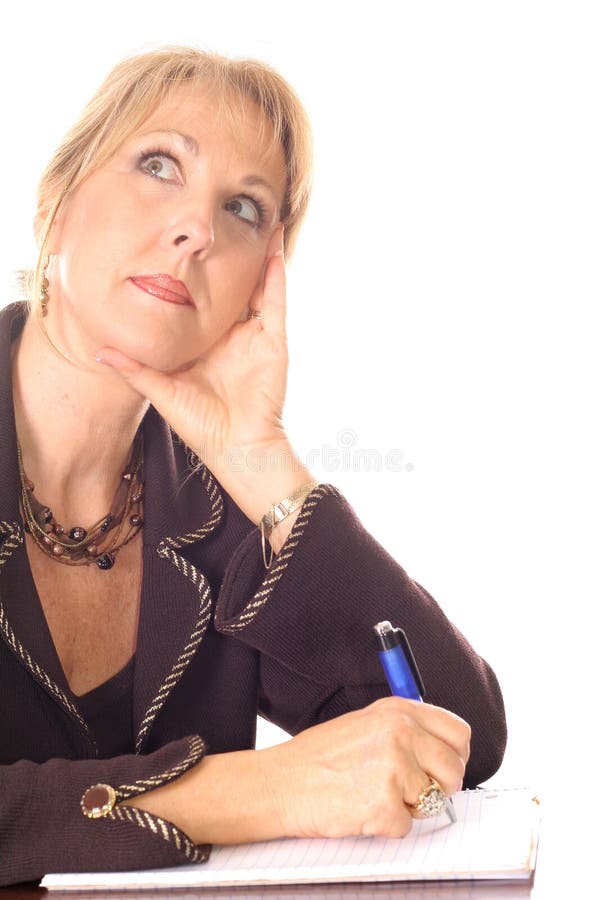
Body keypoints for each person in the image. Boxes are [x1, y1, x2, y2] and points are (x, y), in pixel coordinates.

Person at [0, 45, 507, 886]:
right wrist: (253, 791)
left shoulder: (216, 497)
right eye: (159, 164)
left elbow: (459, 738)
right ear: (58, 196)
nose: (198, 229)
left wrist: (263, 463)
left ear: (256, 286)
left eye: (242, 208)